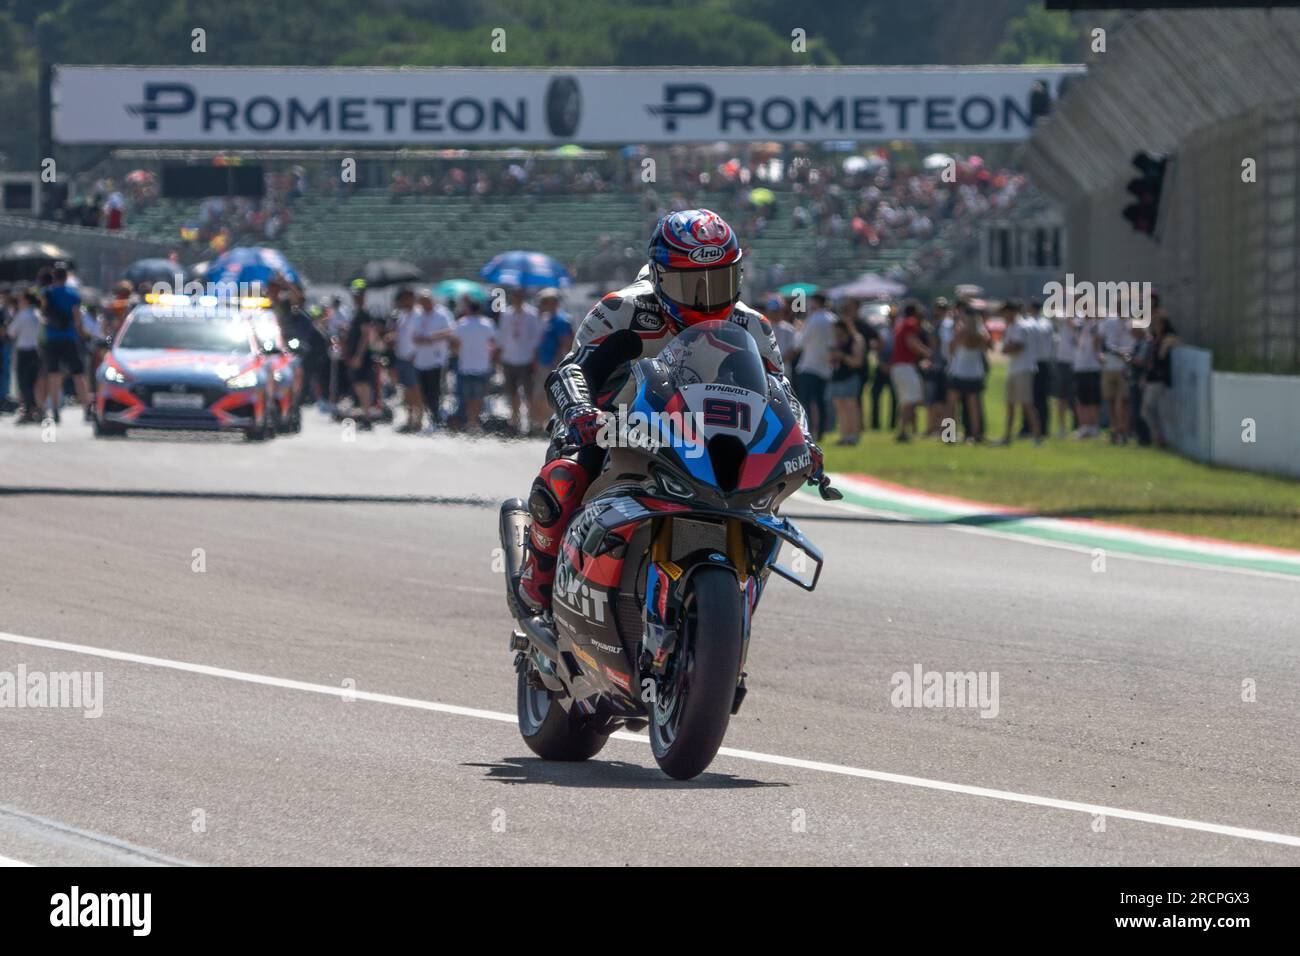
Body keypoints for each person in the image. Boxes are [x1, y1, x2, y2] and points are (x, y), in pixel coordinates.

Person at [516, 208, 828, 615]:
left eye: (720, 282)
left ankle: (732, 608)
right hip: (615, 426)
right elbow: (572, 369)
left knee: (763, 500)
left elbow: (779, 393)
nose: (707, 297)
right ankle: (538, 580)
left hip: (706, 436)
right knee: (562, 479)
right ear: (659, 277)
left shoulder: (754, 326)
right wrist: (580, 410)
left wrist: (803, 440)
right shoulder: (620, 310)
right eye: (691, 285)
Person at [39, 266, 90, 424]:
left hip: (51, 338)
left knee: (54, 374)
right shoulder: (73, 294)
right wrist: (82, 334)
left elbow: (42, 314)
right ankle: (87, 409)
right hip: (69, 338)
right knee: (78, 374)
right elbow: (77, 318)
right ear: (66, 278)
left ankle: (55, 409)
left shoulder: (46, 293)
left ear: (54, 277)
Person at [498, 285, 542, 434]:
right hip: (509, 358)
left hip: (526, 358)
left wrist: (535, 360)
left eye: (519, 296)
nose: (516, 299)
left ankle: (531, 421)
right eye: (514, 296)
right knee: (512, 393)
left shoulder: (531, 314)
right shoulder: (506, 314)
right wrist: (500, 358)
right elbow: (501, 337)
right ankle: (515, 421)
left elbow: (536, 338)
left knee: (528, 393)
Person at [997, 300, 1042, 445]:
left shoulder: (1020, 326)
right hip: (1015, 368)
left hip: (1023, 368)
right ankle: (1007, 436)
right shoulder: (1012, 326)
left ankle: (1036, 436)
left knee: (1027, 404)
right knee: (1010, 403)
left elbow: (1017, 345)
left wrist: (1006, 349)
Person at [410, 290, 455, 432]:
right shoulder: (418, 315)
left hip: (436, 359)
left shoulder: (442, 313)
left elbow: (450, 331)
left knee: (435, 391)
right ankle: (428, 419)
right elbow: (414, 335)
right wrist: (419, 339)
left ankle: (436, 420)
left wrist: (431, 337)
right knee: (423, 391)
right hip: (420, 360)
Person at [945, 302, 990, 443]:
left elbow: (951, 348)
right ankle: (975, 435)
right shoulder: (981, 331)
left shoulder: (961, 330)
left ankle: (949, 436)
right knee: (973, 406)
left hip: (959, 371)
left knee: (952, 406)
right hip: (974, 372)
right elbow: (985, 347)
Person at [793, 292, 835, 441]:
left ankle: (808, 431)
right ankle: (822, 431)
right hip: (824, 367)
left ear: (816, 302)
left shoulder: (813, 320)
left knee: (806, 402)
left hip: (809, 365)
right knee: (820, 401)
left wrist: (798, 328)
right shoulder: (832, 319)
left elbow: (799, 342)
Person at [451, 296, 497, 432]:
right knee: (479, 396)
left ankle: (469, 421)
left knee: (466, 396)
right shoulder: (487, 324)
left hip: (465, 364)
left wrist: (459, 353)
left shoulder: (462, 323)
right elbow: (493, 343)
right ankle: (473, 421)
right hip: (482, 364)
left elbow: (453, 343)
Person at [530, 288, 571, 436]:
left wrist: (559, 362)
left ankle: (549, 424)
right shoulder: (546, 319)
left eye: (544, 302)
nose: (541, 305)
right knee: (539, 395)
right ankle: (540, 423)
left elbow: (565, 342)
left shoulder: (561, 320)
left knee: (547, 396)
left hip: (552, 363)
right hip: (543, 362)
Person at [889, 302, 930, 443]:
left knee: (906, 400)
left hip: (899, 367)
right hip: (905, 366)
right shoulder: (910, 323)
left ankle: (908, 429)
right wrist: (927, 352)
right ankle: (904, 431)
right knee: (910, 400)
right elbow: (911, 342)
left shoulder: (901, 324)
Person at [342, 279, 378, 430]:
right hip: (356, 355)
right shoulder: (357, 312)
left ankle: (367, 416)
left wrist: (358, 356)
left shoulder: (364, 313)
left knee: (363, 385)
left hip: (361, 357)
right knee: (359, 385)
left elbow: (365, 336)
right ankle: (365, 414)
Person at [1139, 312, 1179, 448]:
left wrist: (1166, 346)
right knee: (1148, 411)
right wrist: (1144, 377)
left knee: (1150, 410)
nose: (1156, 327)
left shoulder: (1168, 339)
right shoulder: (1153, 341)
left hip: (1159, 380)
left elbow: (1171, 348)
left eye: (1158, 324)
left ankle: (1159, 438)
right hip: (1151, 379)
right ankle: (1158, 437)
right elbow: (1150, 361)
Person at [828, 317, 866, 445]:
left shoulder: (855, 340)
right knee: (840, 407)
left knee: (851, 406)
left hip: (850, 377)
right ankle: (844, 435)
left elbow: (857, 362)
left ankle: (854, 435)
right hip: (837, 377)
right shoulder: (835, 342)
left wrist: (842, 356)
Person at [1099, 311, 1135, 444]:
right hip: (1109, 366)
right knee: (1111, 400)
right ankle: (1114, 430)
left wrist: (1127, 353)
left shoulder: (1133, 323)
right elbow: (1100, 339)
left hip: (1125, 368)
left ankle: (1124, 430)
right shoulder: (1108, 322)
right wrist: (1100, 354)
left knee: (1125, 400)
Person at [8, 290, 42, 424]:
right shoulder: (38, 314)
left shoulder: (22, 315)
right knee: (33, 382)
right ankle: (35, 409)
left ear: (26, 301)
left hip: (23, 351)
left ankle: (29, 409)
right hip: (35, 351)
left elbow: (11, 331)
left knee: (23, 383)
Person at [1071, 311, 1103, 439]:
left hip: (1093, 366)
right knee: (1081, 398)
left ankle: (1093, 426)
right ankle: (1083, 426)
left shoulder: (1097, 325)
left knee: (1093, 399)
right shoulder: (1078, 324)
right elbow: (1069, 321)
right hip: (1080, 366)